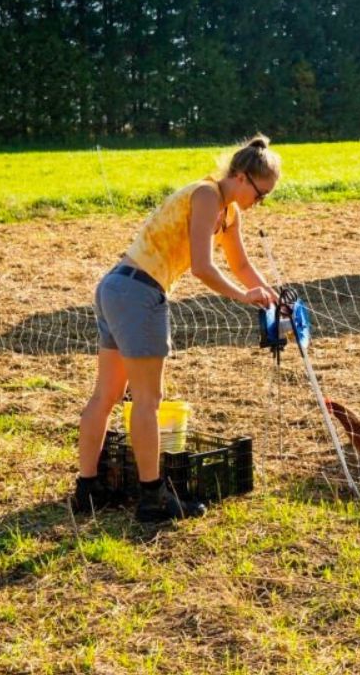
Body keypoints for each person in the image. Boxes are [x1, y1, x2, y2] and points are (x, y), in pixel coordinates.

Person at [72, 135, 283, 522]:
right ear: (240, 177)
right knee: (148, 400)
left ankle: (87, 491)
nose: (260, 201)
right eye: (260, 193)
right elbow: (203, 267)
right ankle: (153, 497)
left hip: (116, 287)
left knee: (107, 395)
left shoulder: (228, 212)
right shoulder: (206, 196)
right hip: (139, 292)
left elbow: (240, 265)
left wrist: (271, 295)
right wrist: (243, 297)